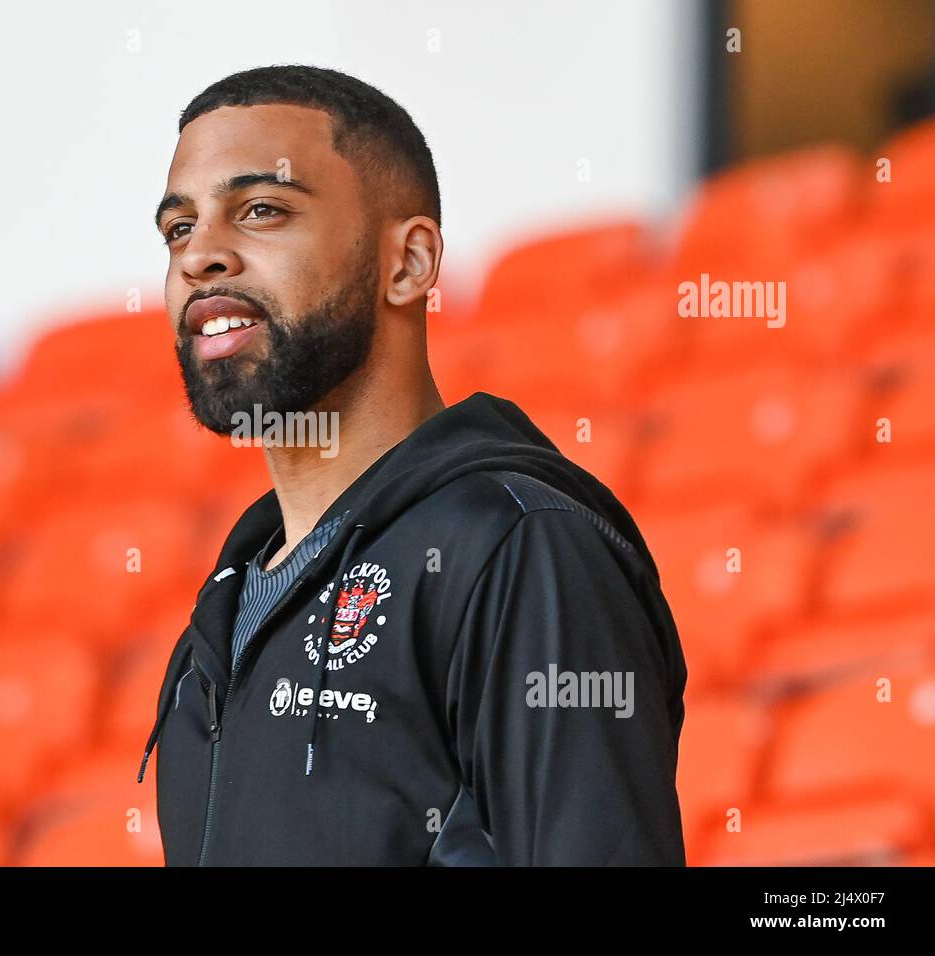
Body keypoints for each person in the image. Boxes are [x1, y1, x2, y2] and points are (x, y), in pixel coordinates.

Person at [137, 64, 687, 866]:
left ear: (410, 262)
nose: (201, 257)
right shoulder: (222, 622)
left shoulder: (520, 548)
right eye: (179, 229)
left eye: (261, 210)